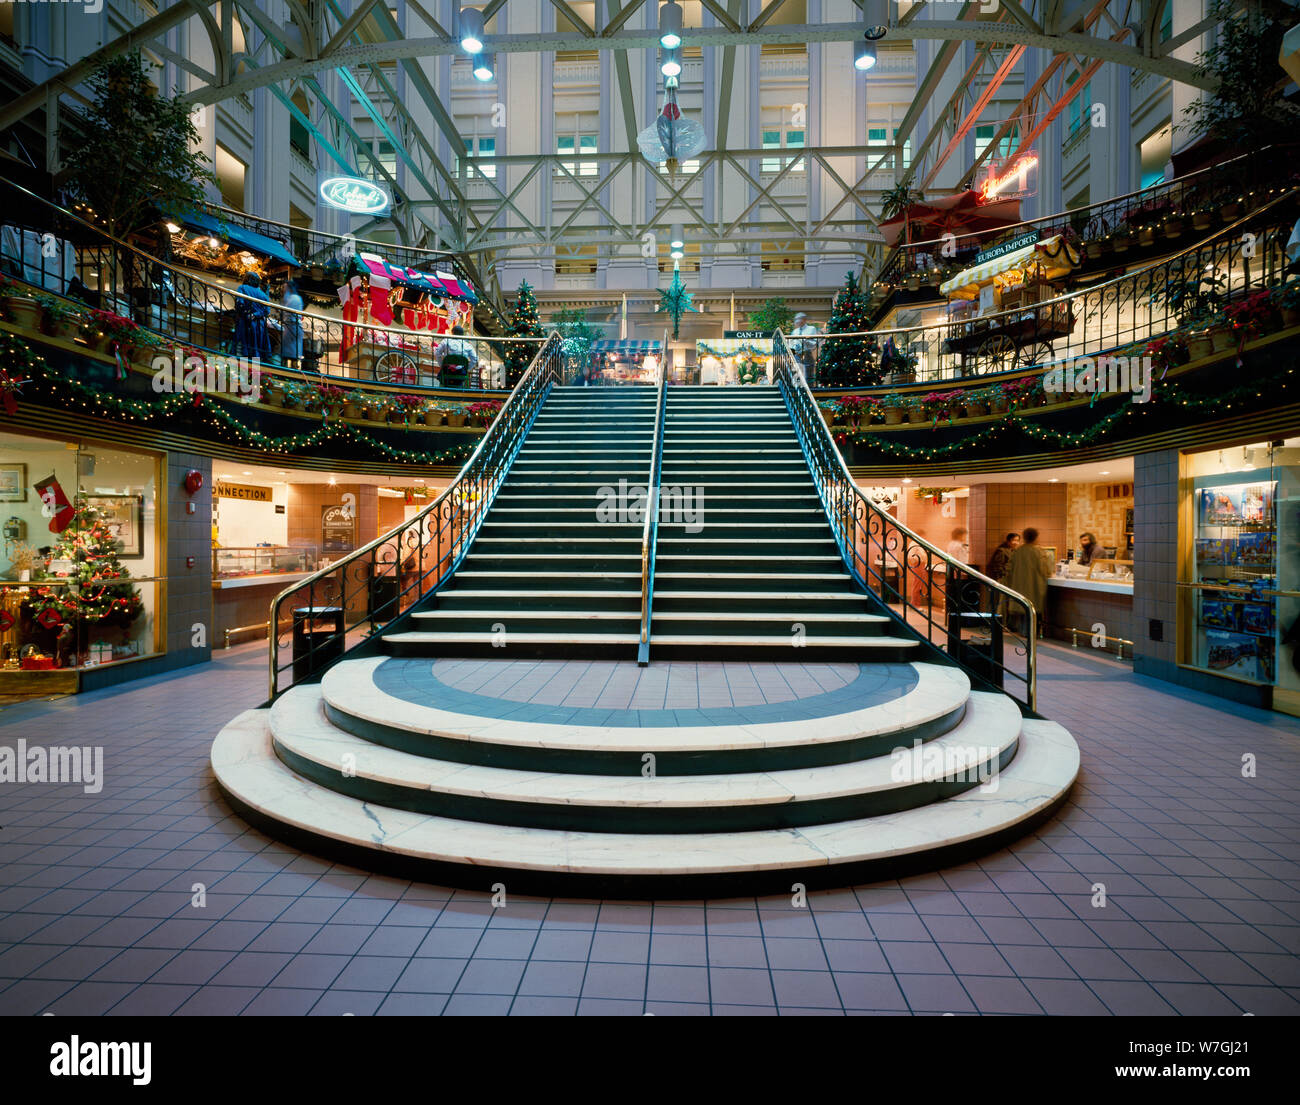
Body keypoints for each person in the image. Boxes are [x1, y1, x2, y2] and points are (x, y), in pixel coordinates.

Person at [1006, 526, 1050, 635]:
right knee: (1033, 611)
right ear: (1036, 537)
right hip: (1035, 587)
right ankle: (1032, 633)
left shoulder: (1018, 551)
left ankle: (1023, 631)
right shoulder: (1039, 551)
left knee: (1022, 609)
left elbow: (1009, 569)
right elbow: (1045, 570)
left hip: (1019, 587)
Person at [233, 271, 271, 361]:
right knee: (255, 352)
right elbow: (267, 311)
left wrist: (245, 313)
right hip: (259, 325)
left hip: (245, 322)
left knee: (242, 350)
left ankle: (241, 368)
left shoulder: (242, 288)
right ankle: (254, 369)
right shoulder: (263, 294)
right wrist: (256, 314)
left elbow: (239, 304)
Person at [279, 279, 304, 370]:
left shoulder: (293, 298)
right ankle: (292, 368)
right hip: (292, 326)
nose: (283, 289)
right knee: (293, 351)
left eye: (285, 287)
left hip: (292, 326)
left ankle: (286, 369)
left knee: (289, 350)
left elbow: (285, 310)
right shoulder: (296, 298)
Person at [790, 311, 820, 381]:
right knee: (797, 373)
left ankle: (809, 385)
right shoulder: (795, 331)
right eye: (796, 319)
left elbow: (814, 343)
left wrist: (806, 341)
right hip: (797, 354)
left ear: (804, 319)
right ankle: (799, 385)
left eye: (798, 319)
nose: (796, 321)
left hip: (807, 353)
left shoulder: (811, 329)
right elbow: (791, 343)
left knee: (808, 374)